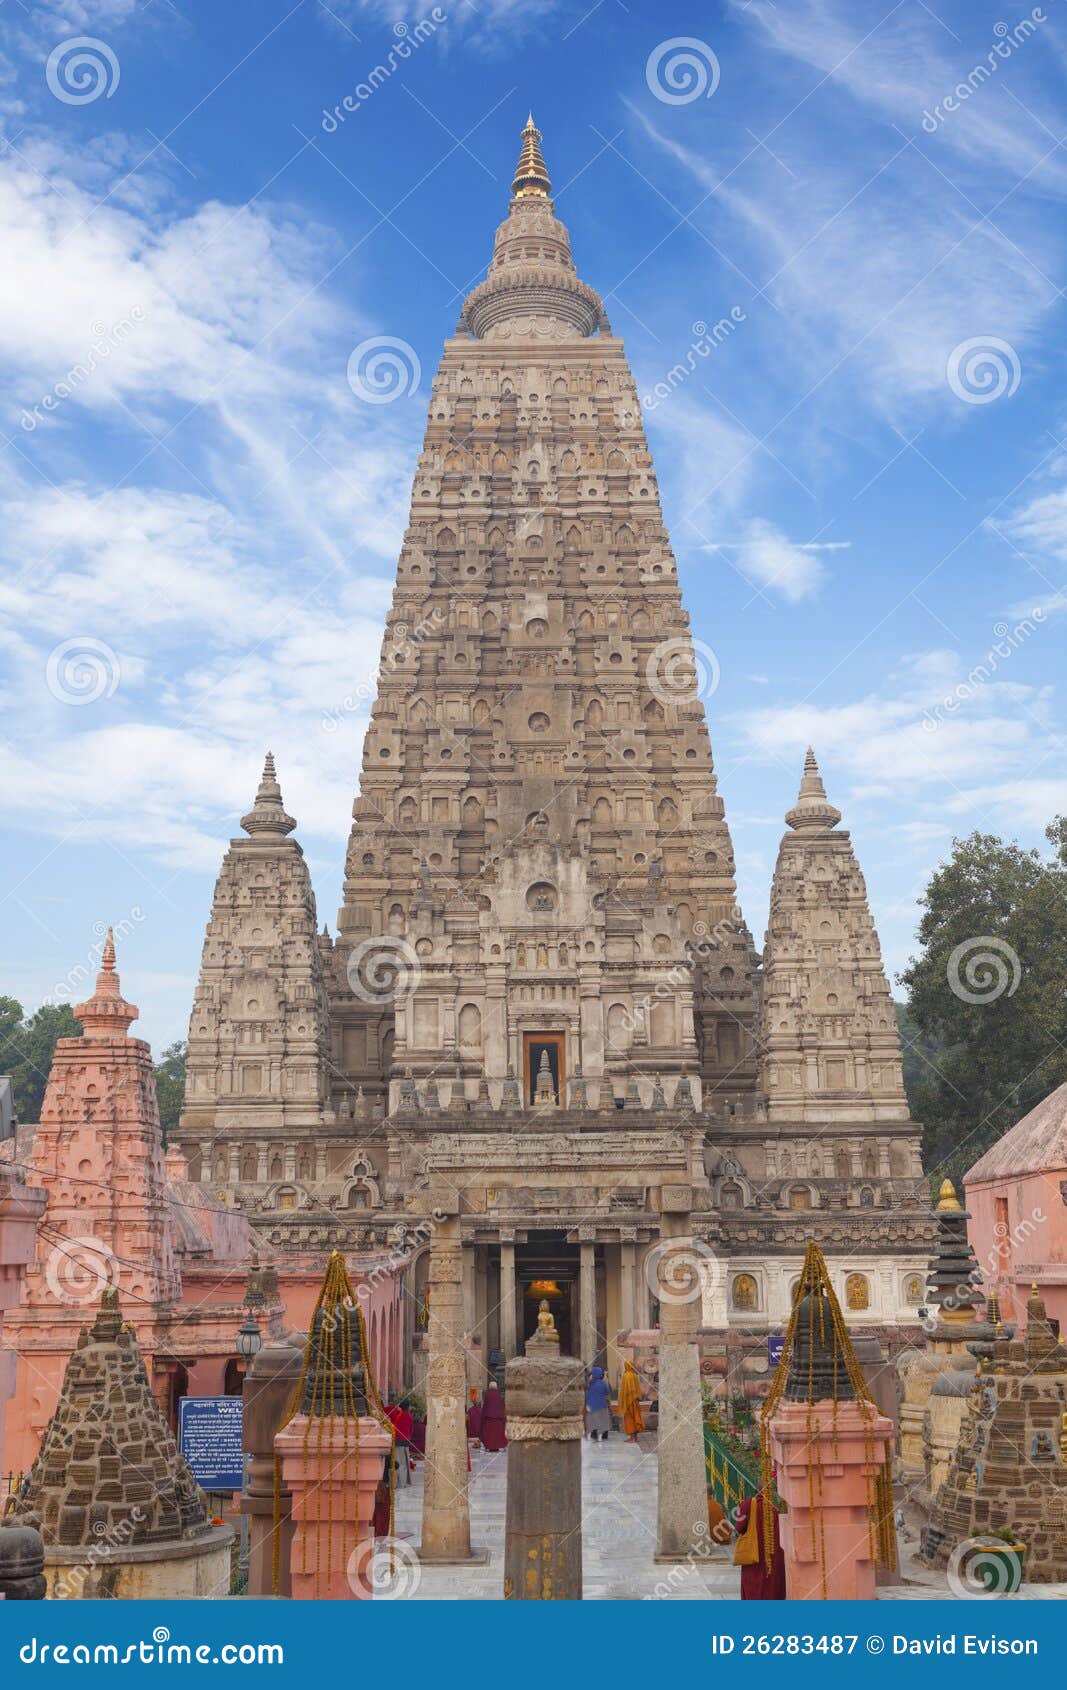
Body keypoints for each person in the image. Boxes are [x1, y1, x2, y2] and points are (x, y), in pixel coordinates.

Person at [733, 1492, 786, 1599]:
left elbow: (739, 1527)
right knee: (772, 1586)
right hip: (775, 1556)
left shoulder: (748, 1504)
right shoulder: (780, 1505)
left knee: (753, 1587)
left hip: (753, 1554)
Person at [618, 1359, 645, 1442]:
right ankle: (635, 1438)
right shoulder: (634, 1375)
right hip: (635, 1401)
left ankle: (632, 1438)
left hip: (628, 1402)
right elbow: (637, 1389)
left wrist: (623, 1401)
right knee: (636, 1418)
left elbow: (625, 1391)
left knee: (629, 1419)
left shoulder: (626, 1376)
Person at [585, 1365, 612, 1440]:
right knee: (601, 1421)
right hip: (601, 1405)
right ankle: (600, 1437)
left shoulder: (589, 1382)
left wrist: (587, 1403)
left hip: (591, 1405)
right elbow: (607, 1392)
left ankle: (589, 1436)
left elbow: (586, 1393)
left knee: (591, 1421)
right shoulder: (603, 1383)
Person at [479, 1380, 507, 1451]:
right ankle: (497, 1446)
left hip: (489, 1419)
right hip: (498, 1419)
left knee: (490, 1434)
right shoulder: (498, 1394)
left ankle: (490, 1446)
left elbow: (486, 1406)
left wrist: (483, 1416)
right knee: (497, 1434)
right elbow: (501, 1406)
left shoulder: (487, 1394)